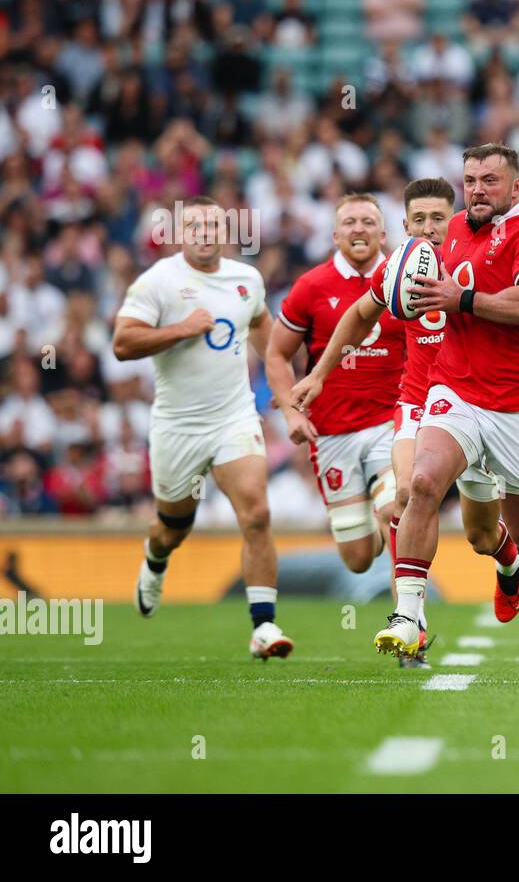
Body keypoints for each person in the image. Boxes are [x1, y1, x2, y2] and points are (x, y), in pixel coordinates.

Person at [373, 144, 519, 659]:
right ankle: (408, 616)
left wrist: (462, 299)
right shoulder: (449, 231)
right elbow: (396, 293)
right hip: (455, 391)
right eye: (470, 180)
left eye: (489, 181)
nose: (476, 189)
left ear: (516, 187)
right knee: (422, 483)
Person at [112, 196, 292, 660]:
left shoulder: (245, 279)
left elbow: (263, 333)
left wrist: (284, 389)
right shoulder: (158, 282)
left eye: (213, 224)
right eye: (195, 225)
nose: (205, 232)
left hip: (233, 417)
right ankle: (155, 561)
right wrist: (181, 330)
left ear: (224, 230)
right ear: (179, 232)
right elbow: (122, 343)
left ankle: (263, 627)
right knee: (175, 527)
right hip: (177, 426)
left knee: (256, 513)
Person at [264, 193, 404, 594]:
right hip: (332, 433)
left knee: (397, 510)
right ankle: (373, 528)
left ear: (383, 232)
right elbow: (276, 352)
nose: (358, 229)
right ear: (335, 234)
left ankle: (409, 628)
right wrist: (292, 413)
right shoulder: (311, 286)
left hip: (390, 423)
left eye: (367, 221)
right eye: (349, 222)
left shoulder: (405, 280)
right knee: (357, 558)